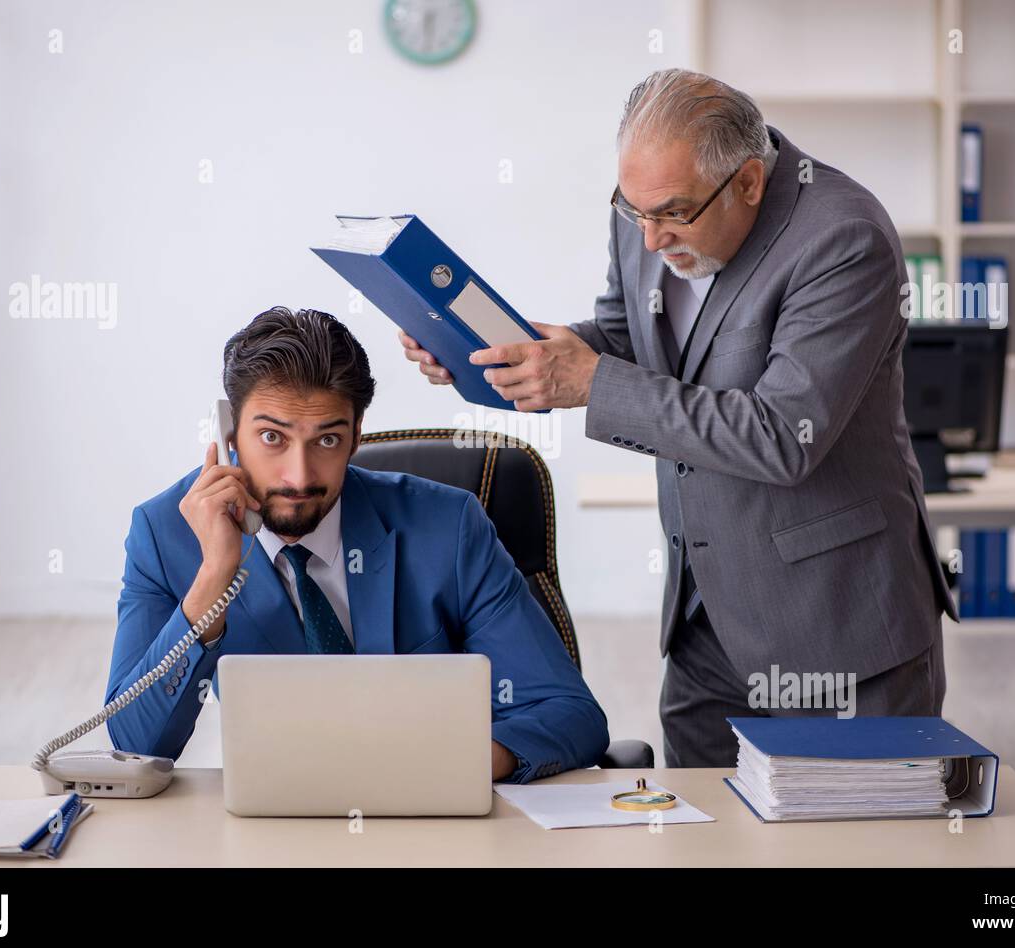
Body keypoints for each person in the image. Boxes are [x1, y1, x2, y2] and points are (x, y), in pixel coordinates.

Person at [399, 69, 956, 768]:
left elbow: (785, 435)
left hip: (838, 626)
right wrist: (503, 355)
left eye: (671, 214)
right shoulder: (643, 211)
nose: (651, 238)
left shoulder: (845, 239)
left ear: (748, 182)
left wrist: (590, 382)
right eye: (634, 212)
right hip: (704, 620)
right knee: (706, 841)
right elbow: (625, 339)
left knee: (851, 843)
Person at [106, 306, 609, 782]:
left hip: (431, 819)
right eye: (273, 438)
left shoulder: (449, 526)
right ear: (230, 434)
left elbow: (570, 715)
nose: (299, 476)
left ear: (355, 436)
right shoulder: (164, 533)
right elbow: (138, 744)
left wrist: (446, 766)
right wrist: (215, 574)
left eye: (326, 440)